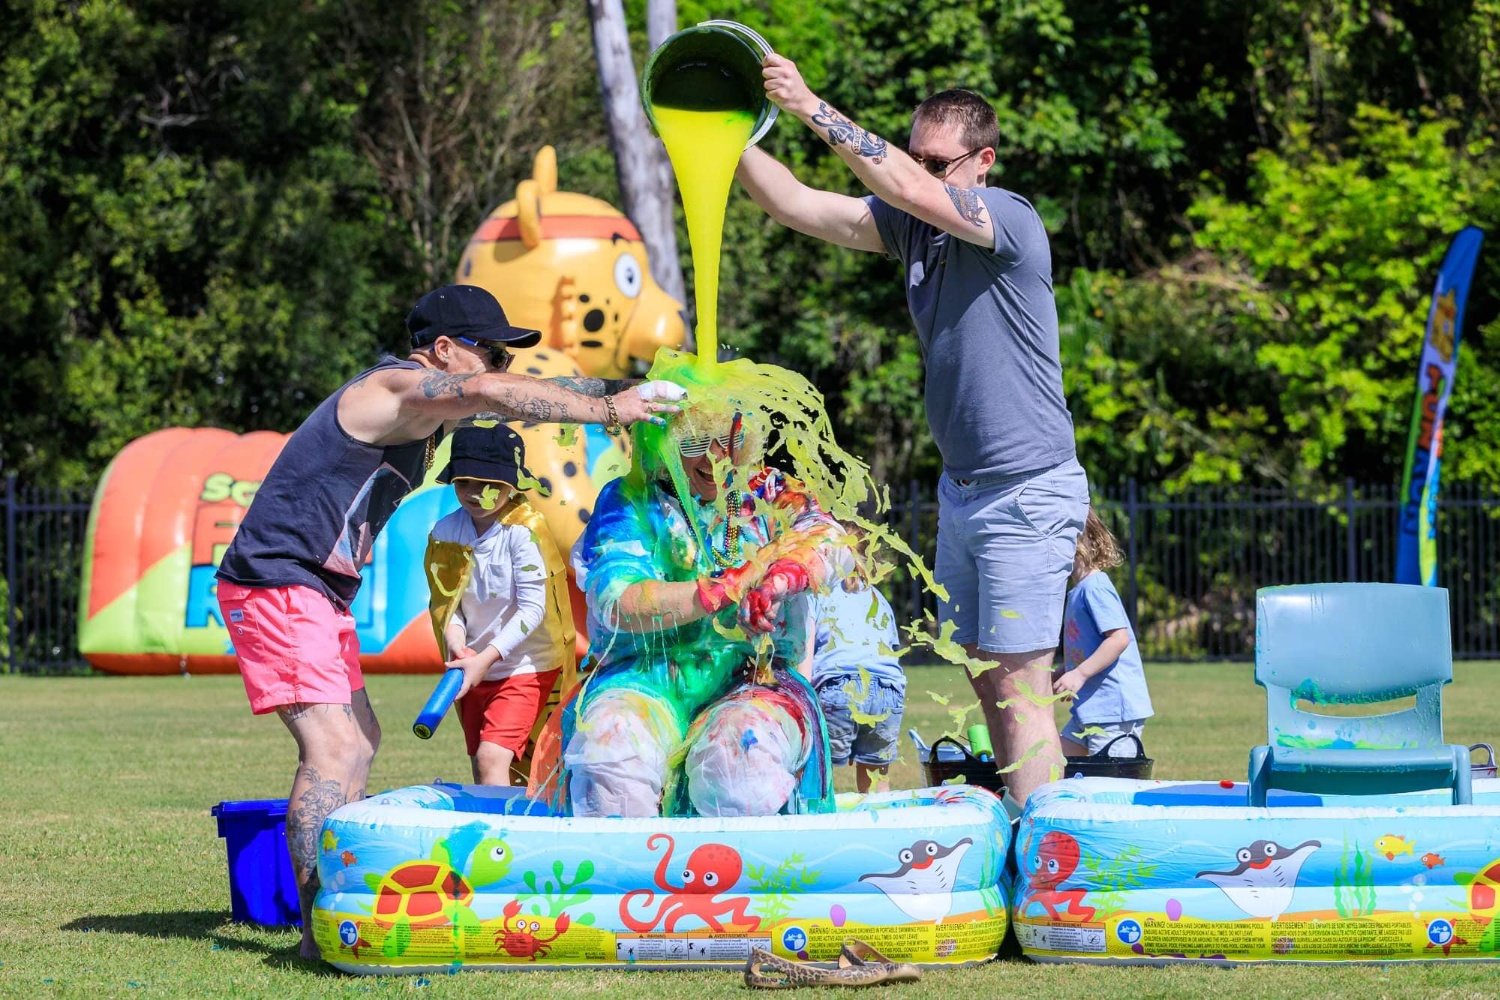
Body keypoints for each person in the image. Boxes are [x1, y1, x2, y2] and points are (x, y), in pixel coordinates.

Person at [214, 283, 683, 958]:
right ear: (442, 349)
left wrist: (641, 387)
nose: (499, 368)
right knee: (334, 749)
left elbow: (539, 388)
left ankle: (344, 903)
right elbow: (498, 396)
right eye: (489, 352)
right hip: (277, 579)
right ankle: (322, 933)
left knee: (362, 739)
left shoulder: (431, 405)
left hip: (316, 589)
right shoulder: (399, 389)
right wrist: (610, 409)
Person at [736, 58, 1088, 804]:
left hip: (1027, 490)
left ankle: (1053, 864)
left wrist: (806, 105)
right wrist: (718, 134)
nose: (918, 171)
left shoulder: (1010, 221)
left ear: (983, 161)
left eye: (937, 161)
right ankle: (1029, 835)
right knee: (987, 678)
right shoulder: (915, 232)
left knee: (1023, 687)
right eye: (915, 153)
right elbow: (797, 205)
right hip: (963, 492)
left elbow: (902, 184)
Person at [559, 400, 857, 818]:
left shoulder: (768, 491)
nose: (715, 455)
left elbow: (830, 538)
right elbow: (617, 600)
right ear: (667, 443)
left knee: (741, 751)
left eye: (729, 439)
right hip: (643, 679)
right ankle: (628, 880)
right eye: (697, 440)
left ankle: (746, 880)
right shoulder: (630, 500)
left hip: (754, 679)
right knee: (612, 748)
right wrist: (722, 590)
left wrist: (782, 577)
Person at [426, 423, 573, 786]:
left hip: (525, 666)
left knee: (495, 757)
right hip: (476, 669)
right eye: (465, 483)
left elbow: (533, 610)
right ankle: (501, 832)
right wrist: (458, 640)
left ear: (511, 484)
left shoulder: (522, 534)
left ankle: (499, 841)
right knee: (484, 764)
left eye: (488, 485)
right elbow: (449, 603)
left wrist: (486, 657)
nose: (475, 494)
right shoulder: (445, 533)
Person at [1052, 509, 1153, 757]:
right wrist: (1064, 672)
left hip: (1113, 712)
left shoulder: (1095, 588)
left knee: (1109, 783)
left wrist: (1079, 674)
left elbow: (1118, 639)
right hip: (1089, 709)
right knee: (1054, 767)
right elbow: (1088, 647)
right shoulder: (1077, 591)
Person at [811, 581, 905, 793]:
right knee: (876, 780)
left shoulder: (815, 594)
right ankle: (881, 820)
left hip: (840, 686)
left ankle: (815, 820)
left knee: (816, 773)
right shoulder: (877, 596)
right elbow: (891, 648)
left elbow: (804, 656)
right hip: (888, 690)